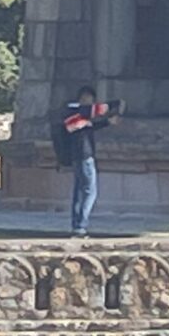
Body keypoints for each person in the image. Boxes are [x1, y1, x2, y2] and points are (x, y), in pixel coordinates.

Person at [57, 85, 119, 237]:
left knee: (80, 192)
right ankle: (81, 225)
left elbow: (89, 126)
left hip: (80, 158)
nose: (89, 102)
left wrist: (108, 122)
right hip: (83, 157)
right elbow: (96, 112)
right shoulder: (75, 113)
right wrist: (113, 106)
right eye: (87, 99)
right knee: (89, 192)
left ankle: (77, 225)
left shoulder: (79, 118)